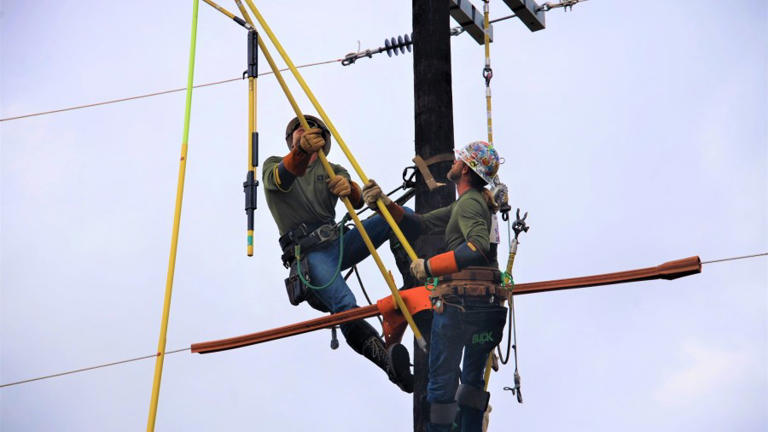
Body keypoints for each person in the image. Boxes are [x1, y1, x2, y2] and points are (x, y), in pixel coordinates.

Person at [262, 114, 414, 393]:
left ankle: (414, 282)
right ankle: (389, 365)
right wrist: (300, 152)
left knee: (399, 218)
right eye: (300, 132)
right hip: (311, 257)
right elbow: (280, 179)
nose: (307, 134)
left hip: (340, 244)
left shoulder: (331, 169)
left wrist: (352, 190)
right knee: (345, 306)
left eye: (313, 132)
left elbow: (355, 201)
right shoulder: (274, 164)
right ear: (291, 139)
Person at [363, 141, 508, 431]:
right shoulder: (470, 202)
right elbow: (421, 224)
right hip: (485, 310)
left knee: (441, 389)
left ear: (465, 169)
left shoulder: (469, 203)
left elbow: (476, 247)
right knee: (471, 384)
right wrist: (384, 205)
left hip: (460, 308)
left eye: (459, 160)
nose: (454, 162)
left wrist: (429, 267)